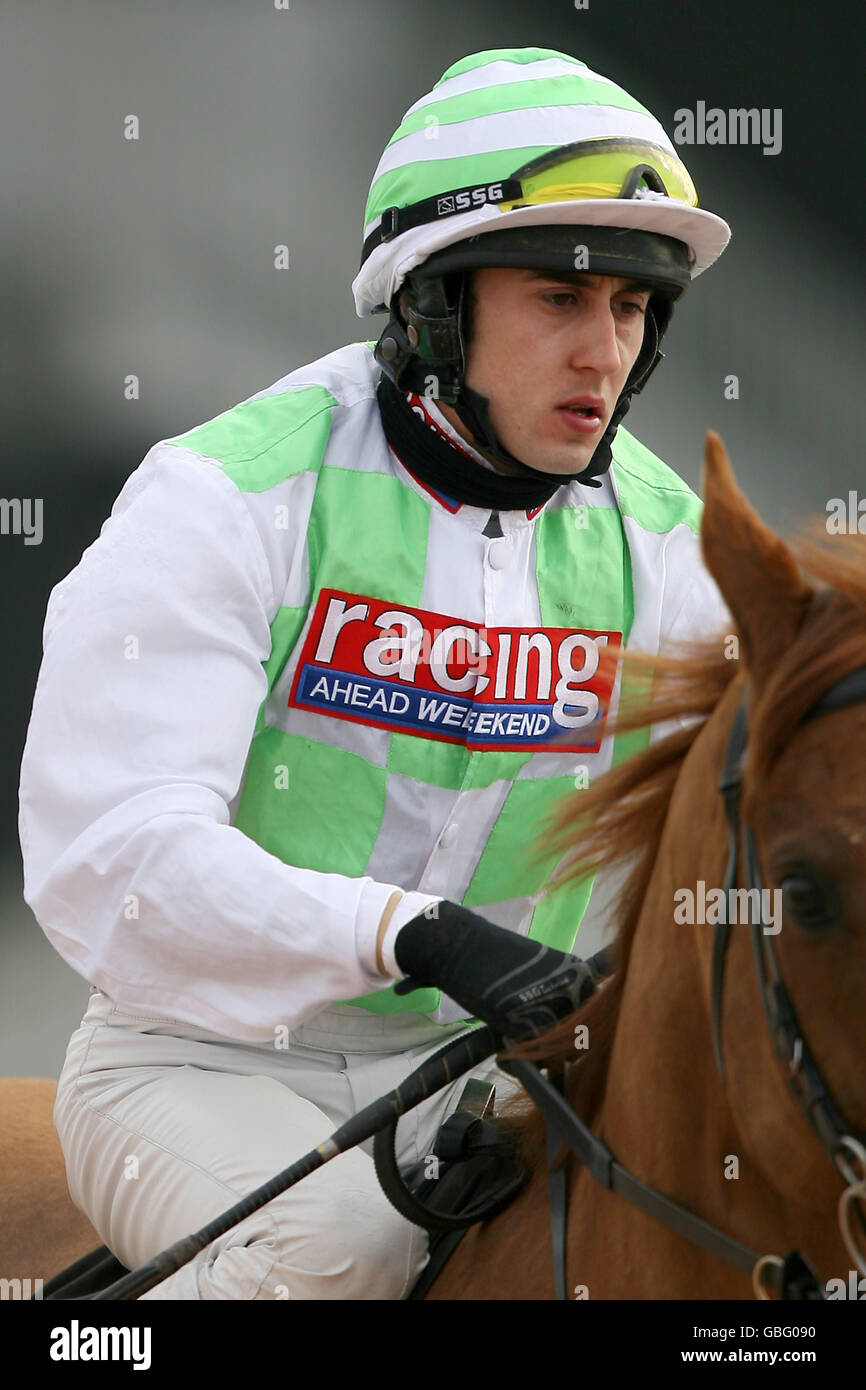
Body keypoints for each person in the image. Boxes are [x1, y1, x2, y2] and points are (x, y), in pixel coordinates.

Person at [19, 46, 732, 1299]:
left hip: (486, 1082)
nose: (602, 351)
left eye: (629, 309)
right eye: (559, 301)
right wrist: (413, 934)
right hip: (204, 1066)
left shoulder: (667, 546)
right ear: (432, 305)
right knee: (338, 1251)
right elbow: (115, 863)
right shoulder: (225, 495)